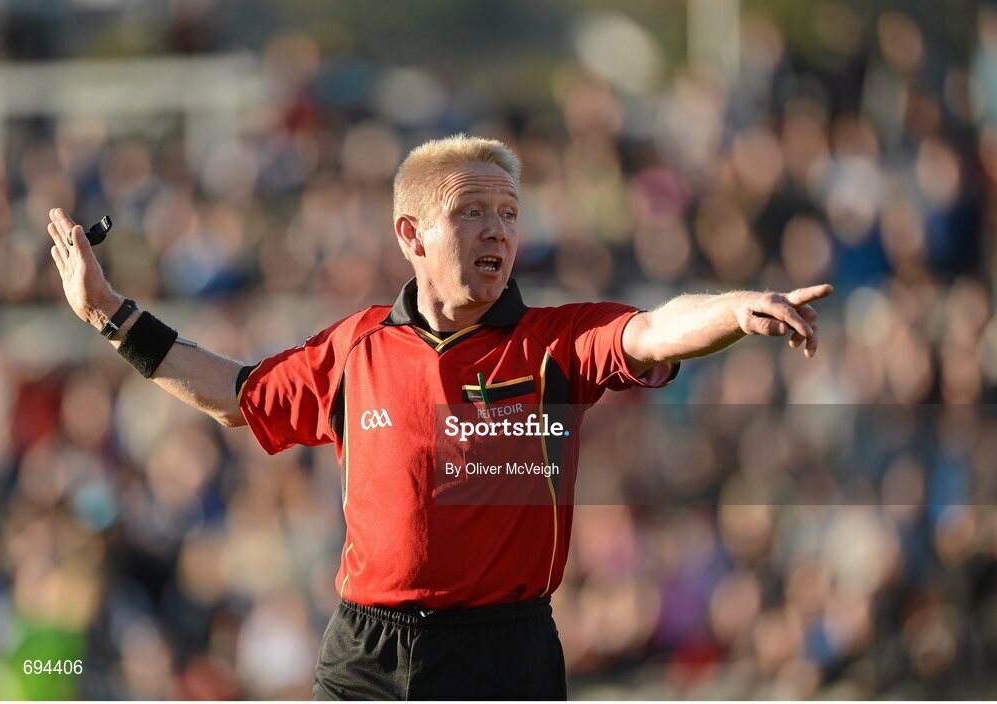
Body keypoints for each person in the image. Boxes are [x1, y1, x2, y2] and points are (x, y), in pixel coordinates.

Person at [46, 134, 832, 700]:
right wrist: (111, 315)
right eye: (472, 211)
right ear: (411, 236)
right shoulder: (356, 347)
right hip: (367, 653)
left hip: (502, 655)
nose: (497, 230)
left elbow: (655, 329)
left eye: (509, 213)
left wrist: (731, 309)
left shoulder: (554, 343)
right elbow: (236, 396)